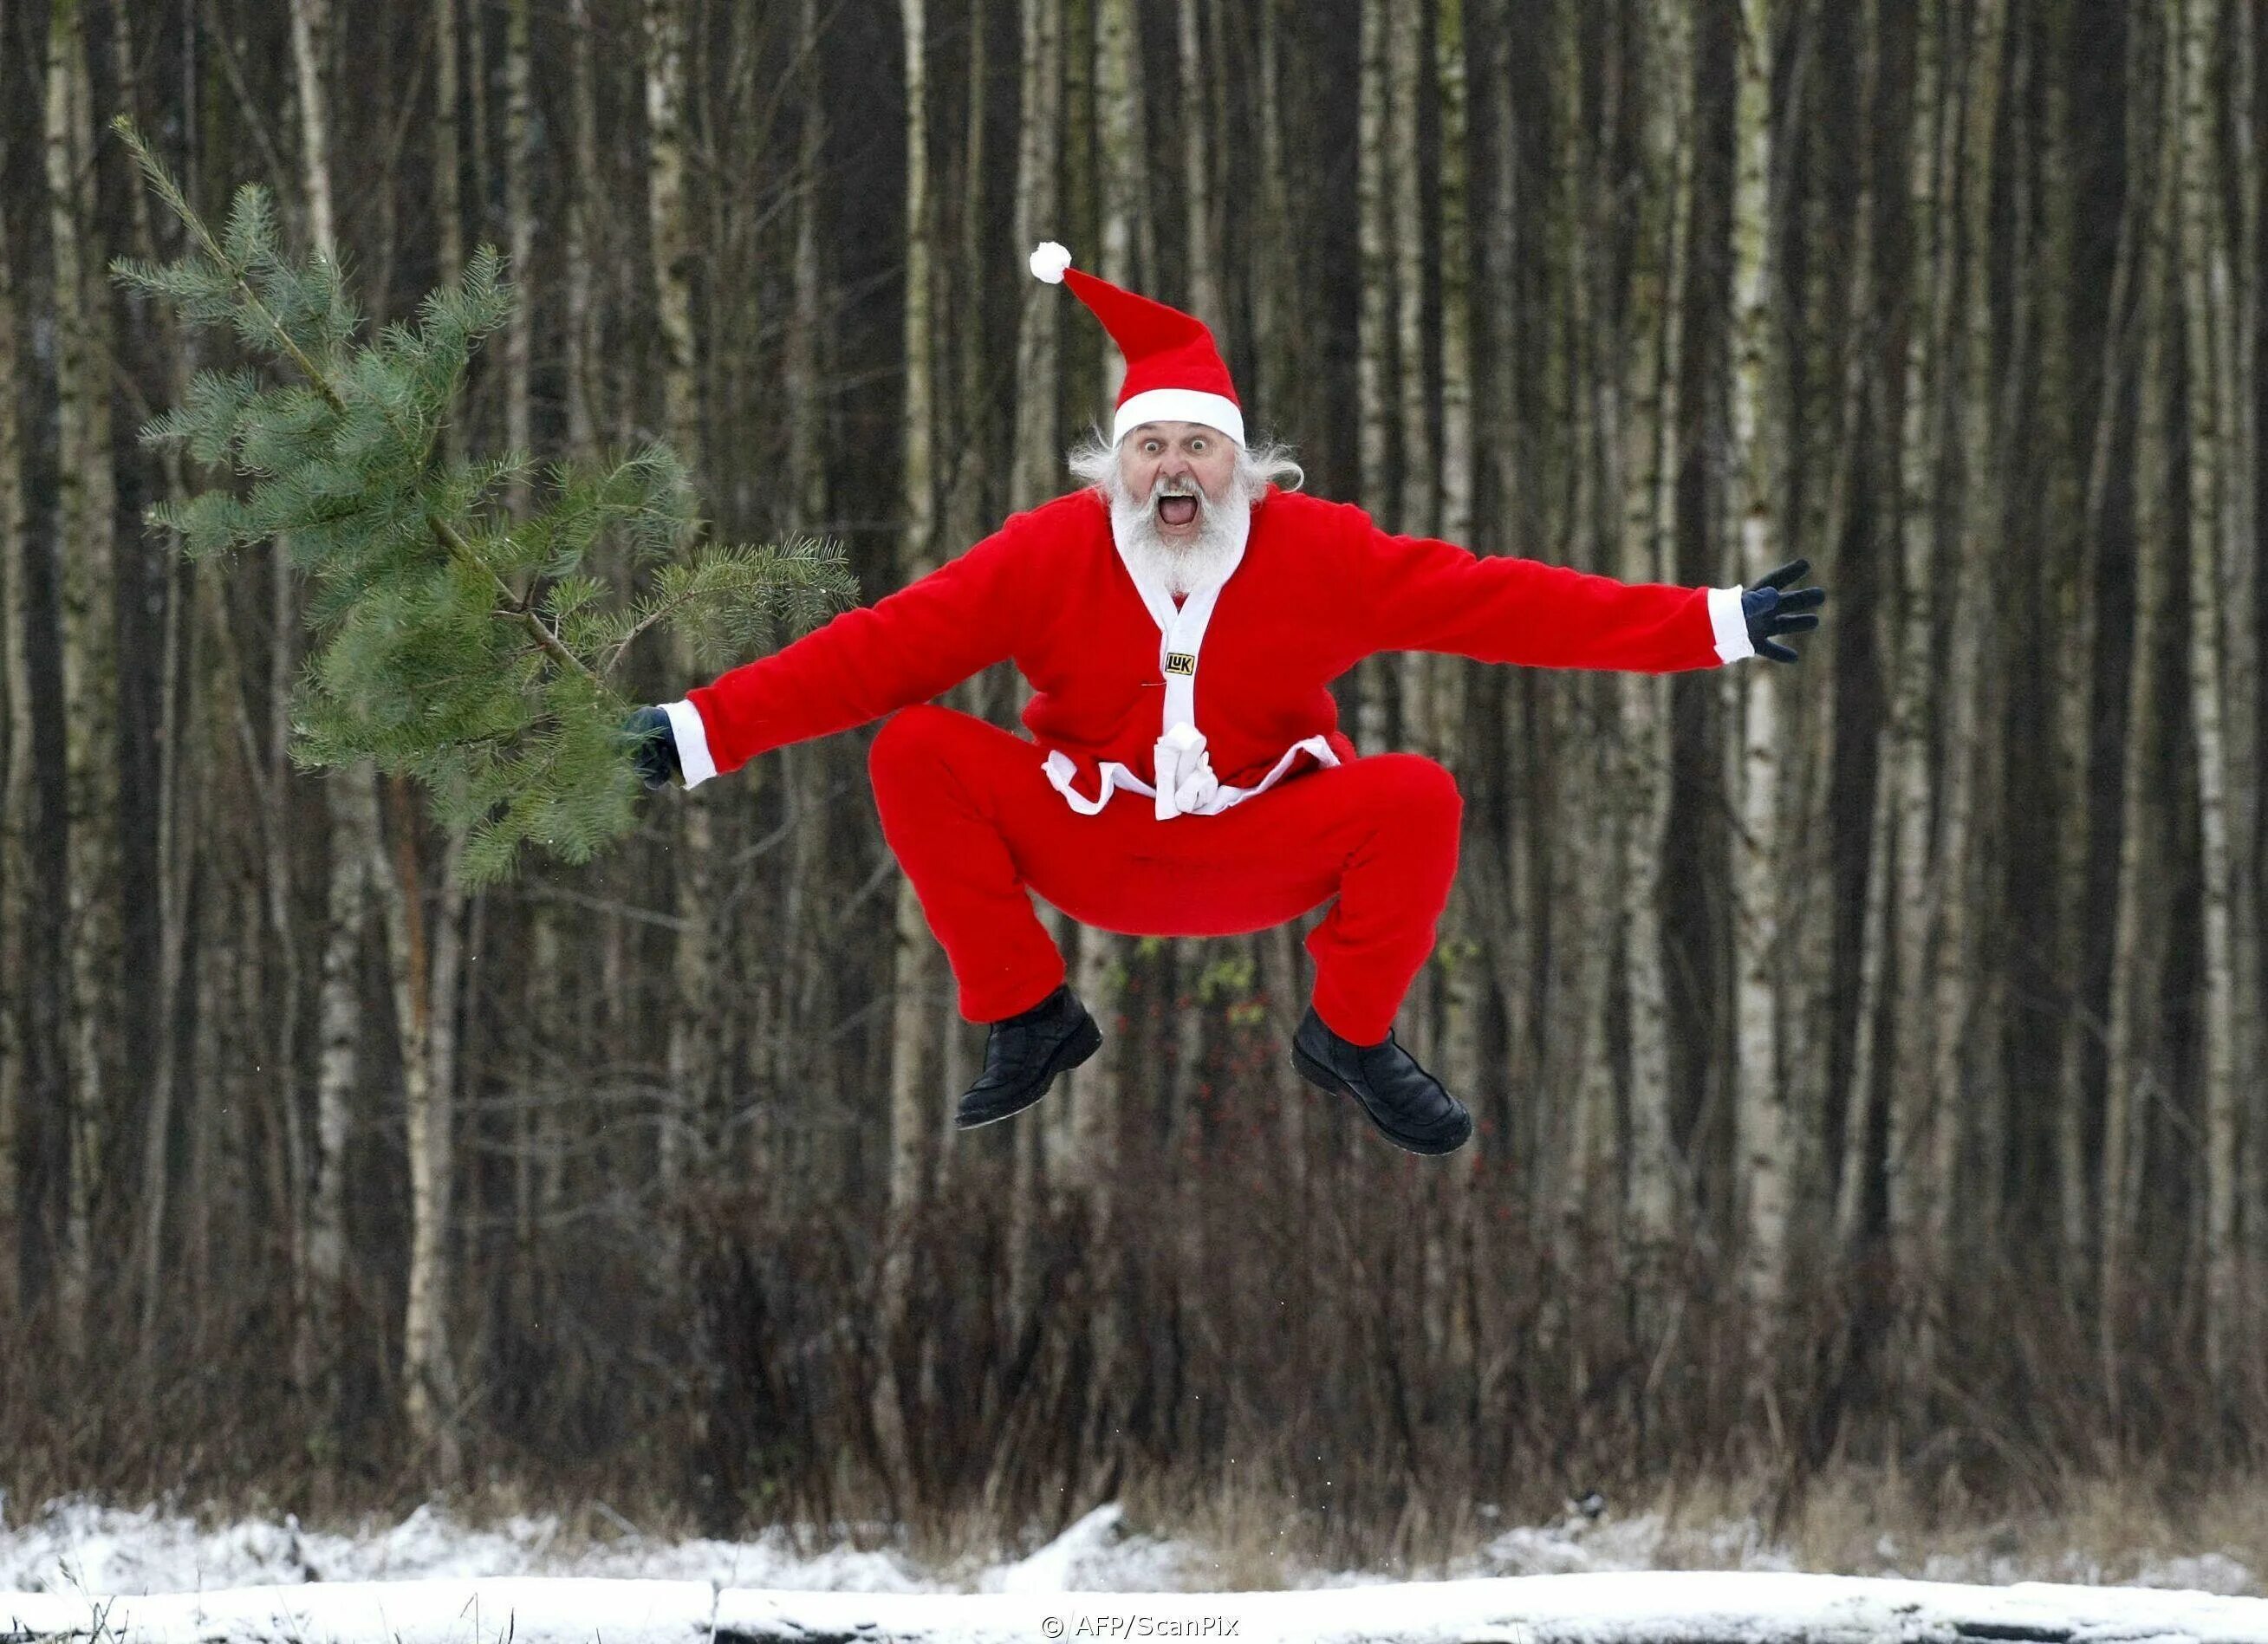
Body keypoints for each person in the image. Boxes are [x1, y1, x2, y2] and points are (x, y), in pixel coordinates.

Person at [627, 244, 1824, 1155]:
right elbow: (877, 648)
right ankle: (1030, 1011)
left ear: (1242, 467)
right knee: (914, 743)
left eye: (1200, 447)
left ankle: (1348, 1037)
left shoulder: (1322, 555)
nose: (1175, 470)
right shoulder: (1045, 555)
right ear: (1116, 469)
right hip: (1089, 841)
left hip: (1265, 846)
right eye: (1151, 449)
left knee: (1414, 795)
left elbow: (1502, 603)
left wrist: (1708, 623)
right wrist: (695, 731)